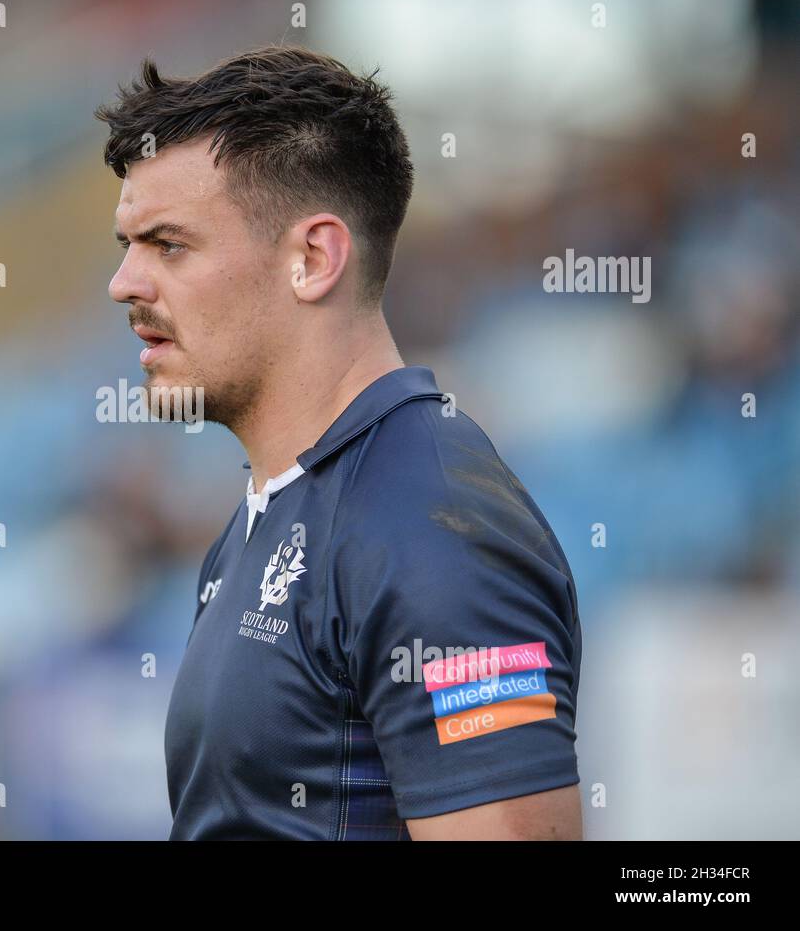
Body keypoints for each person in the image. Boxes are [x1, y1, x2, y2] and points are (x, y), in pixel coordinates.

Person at [96, 44, 583, 840]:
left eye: (168, 244)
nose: (125, 283)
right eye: (128, 246)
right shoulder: (275, 510)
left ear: (313, 258)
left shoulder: (436, 528)